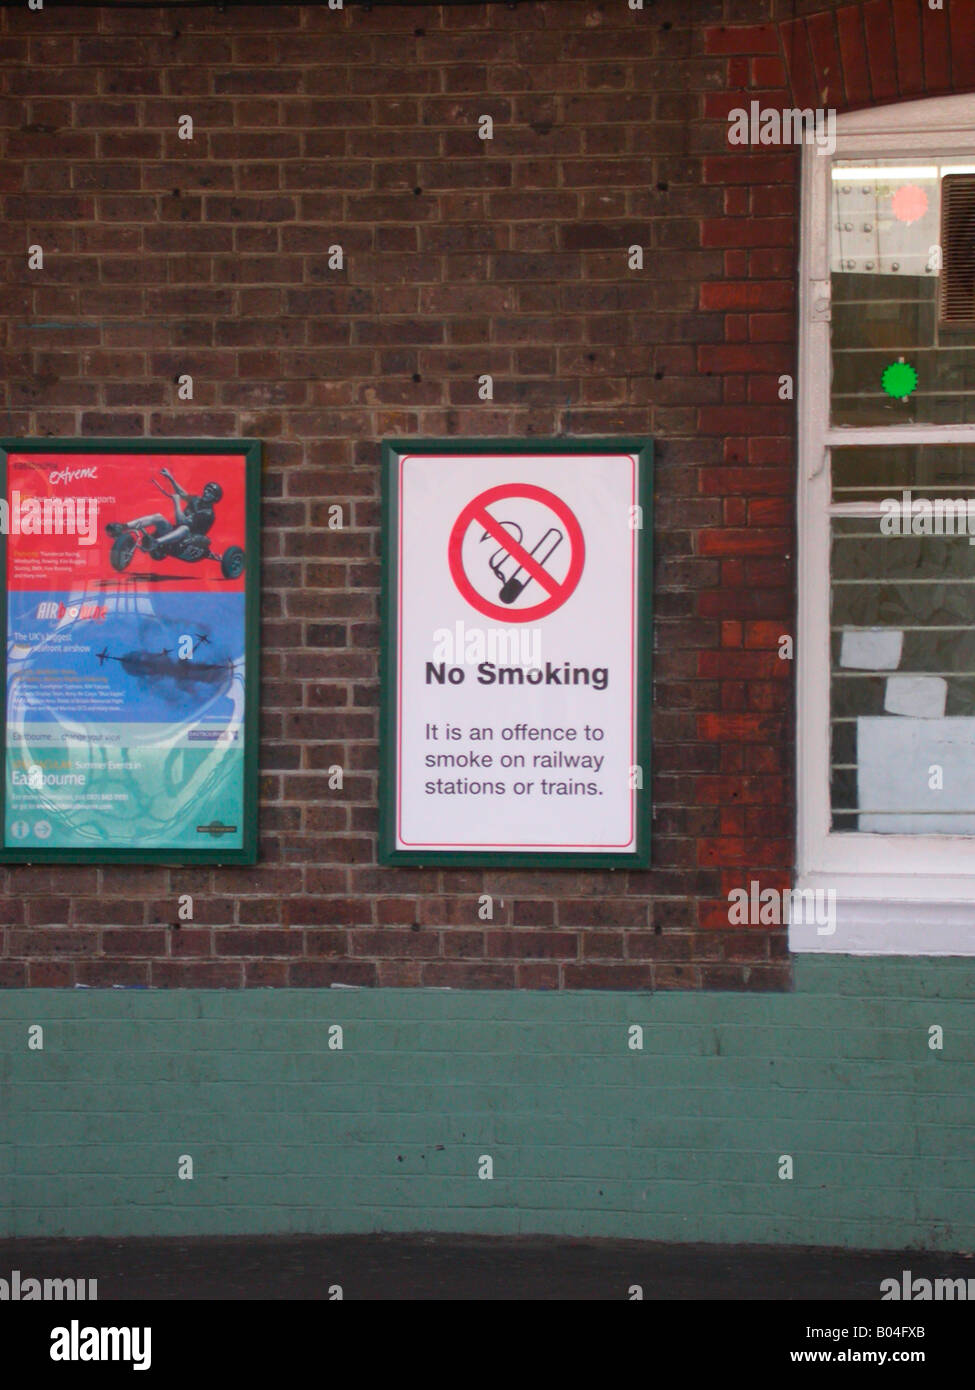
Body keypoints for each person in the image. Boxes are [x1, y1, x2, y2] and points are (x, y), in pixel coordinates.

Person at [107, 470, 222, 557]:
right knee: (158, 517)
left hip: (190, 540)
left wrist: (176, 502)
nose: (206, 492)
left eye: (211, 492)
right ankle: (122, 527)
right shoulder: (197, 500)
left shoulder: (208, 513)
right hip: (176, 534)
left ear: (215, 498)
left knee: (184, 528)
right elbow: (181, 493)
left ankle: (155, 543)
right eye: (207, 489)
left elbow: (182, 522)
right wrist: (170, 478)